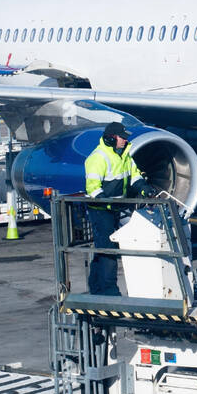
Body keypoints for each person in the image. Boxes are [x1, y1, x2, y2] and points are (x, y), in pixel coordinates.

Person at [83, 122, 151, 295]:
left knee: (104, 248)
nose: (125, 140)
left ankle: (96, 287)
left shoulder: (125, 155)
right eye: (122, 137)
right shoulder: (98, 157)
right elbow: (93, 188)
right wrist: (105, 200)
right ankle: (109, 289)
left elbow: (134, 175)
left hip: (115, 207)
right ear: (111, 138)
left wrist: (143, 187)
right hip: (100, 209)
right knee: (108, 249)